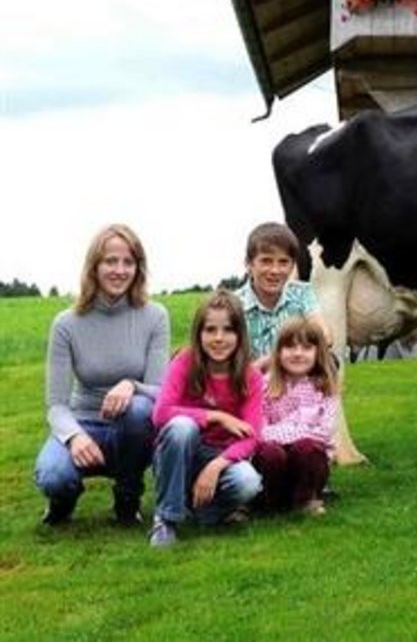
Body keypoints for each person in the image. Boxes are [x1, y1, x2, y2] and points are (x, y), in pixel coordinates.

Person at [34, 224, 170, 526]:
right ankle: (63, 498)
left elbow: (161, 394)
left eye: (128, 262)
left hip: (132, 429)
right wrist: (74, 437)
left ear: (138, 268)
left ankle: (128, 495)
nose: (119, 270)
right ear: (94, 266)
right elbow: (56, 405)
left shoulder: (155, 316)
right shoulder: (66, 324)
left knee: (139, 407)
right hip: (84, 424)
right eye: (110, 261)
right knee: (52, 476)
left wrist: (130, 385)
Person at [149, 291, 264, 547]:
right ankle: (166, 519)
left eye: (228, 330)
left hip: (220, 457)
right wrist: (216, 416)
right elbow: (161, 414)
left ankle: (201, 513)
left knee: (249, 482)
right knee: (182, 427)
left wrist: (217, 465)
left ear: (240, 335)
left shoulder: (250, 376)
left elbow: (252, 436)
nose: (219, 338)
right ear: (199, 334)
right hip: (180, 454)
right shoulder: (184, 362)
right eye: (210, 330)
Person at [254, 317, 338, 515]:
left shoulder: (324, 390)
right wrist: (299, 430)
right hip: (275, 465)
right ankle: (271, 502)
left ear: (318, 353)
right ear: (279, 352)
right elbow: (260, 431)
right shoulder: (265, 386)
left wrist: (285, 432)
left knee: (307, 448)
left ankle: (306, 499)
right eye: (290, 347)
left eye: (307, 347)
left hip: (308, 466)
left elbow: (324, 433)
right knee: (270, 452)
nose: (298, 353)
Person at [235, 222, 330, 373]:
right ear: (249, 263)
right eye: (266, 261)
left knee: (331, 362)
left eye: (283, 262)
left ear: (293, 266)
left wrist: (274, 359)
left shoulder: (302, 293)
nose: (275, 270)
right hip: (252, 385)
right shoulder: (234, 305)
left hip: (295, 379)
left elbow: (325, 336)